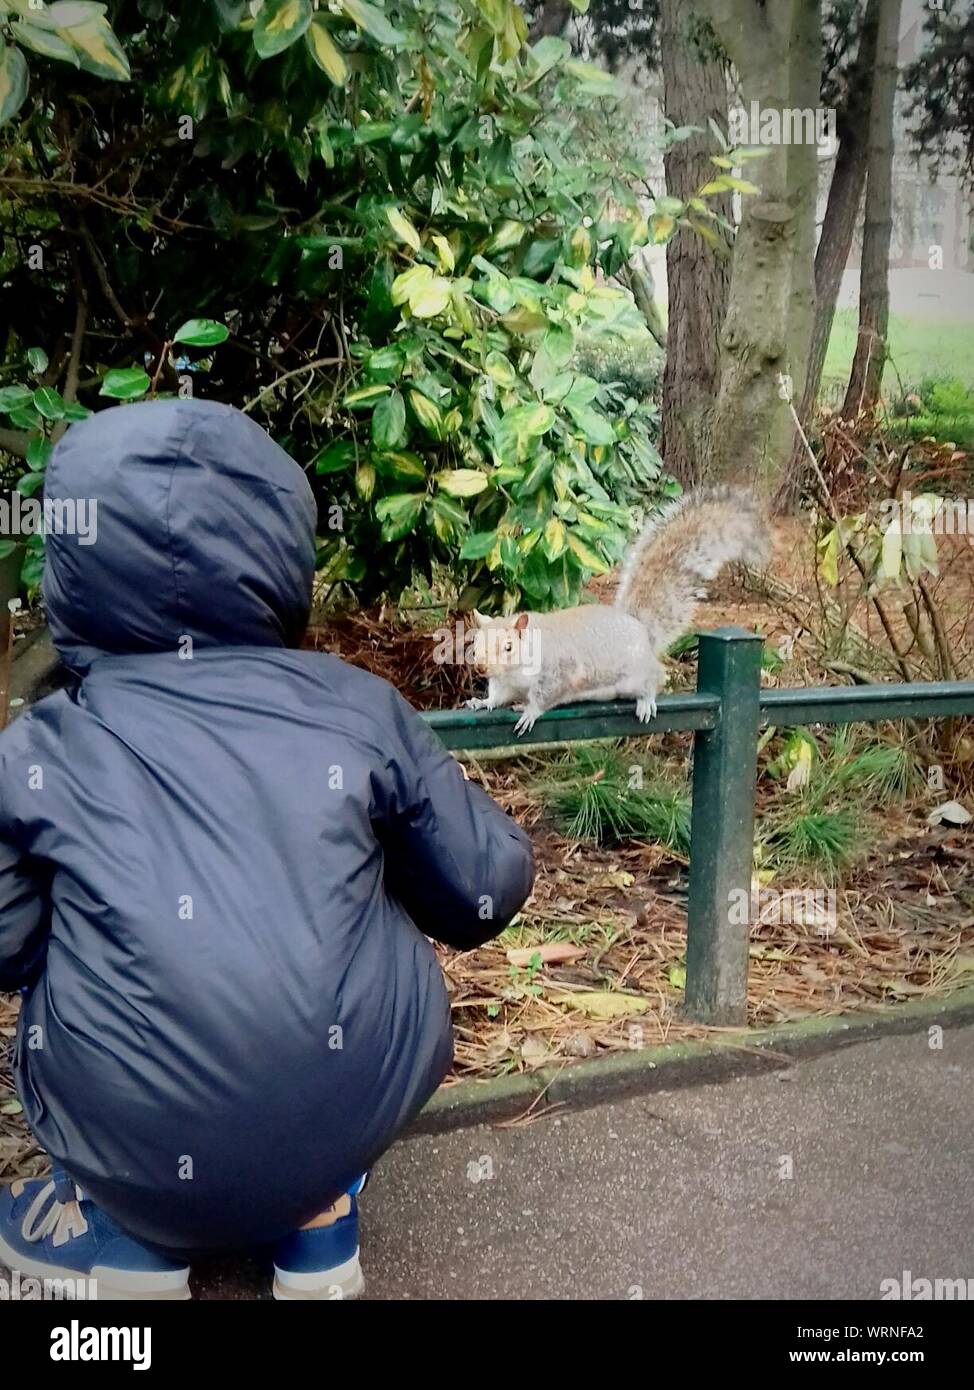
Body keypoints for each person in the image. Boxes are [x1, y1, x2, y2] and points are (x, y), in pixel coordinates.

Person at [0, 398, 534, 1300]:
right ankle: (318, 1226)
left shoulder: (43, 743)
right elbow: (485, 885)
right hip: (340, 1105)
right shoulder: (361, 709)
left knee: (75, 971)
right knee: (368, 886)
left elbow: (7, 947)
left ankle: (128, 1238)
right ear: (280, 553)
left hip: (128, 1117)